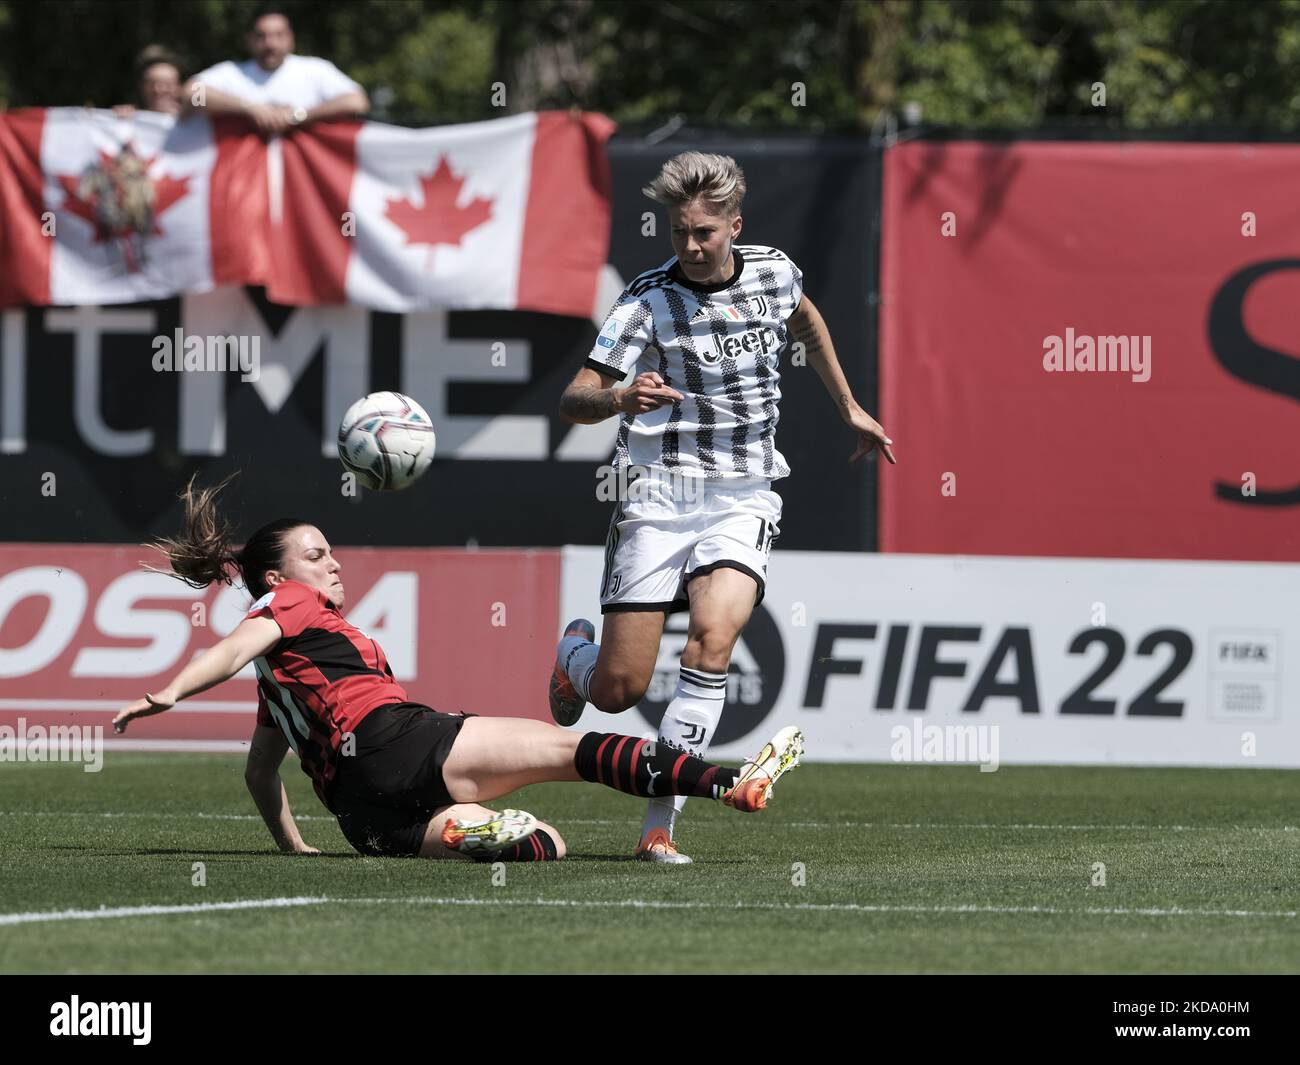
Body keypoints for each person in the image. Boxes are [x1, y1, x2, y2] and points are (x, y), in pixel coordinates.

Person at [111, 477, 803, 861]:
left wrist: (296, 848)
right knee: (573, 750)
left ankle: (470, 827)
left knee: (545, 843)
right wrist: (171, 689)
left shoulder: (283, 676)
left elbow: (260, 770)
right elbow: (232, 646)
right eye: (317, 553)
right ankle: (729, 781)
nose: (333, 562)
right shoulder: (284, 603)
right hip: (397, 740)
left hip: (360, 817)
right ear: (275, 574)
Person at [552, 151, 893, 864]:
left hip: (743, 494)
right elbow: (575, 398)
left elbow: (807, 321)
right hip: (659, 495)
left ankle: (657, 826)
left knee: (713, 638)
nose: (691, 246)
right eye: (679, 232)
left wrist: (851, 406)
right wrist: (618, 397)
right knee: (619, 690)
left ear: (734, 226)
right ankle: (572, 657)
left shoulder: (774, 272)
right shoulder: (645, 299)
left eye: (704, 232)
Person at [182, 6, 369, 136]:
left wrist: (298, 116)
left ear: (290, 38)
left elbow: (357, 102)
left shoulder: (314, 70)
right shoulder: (233, 73)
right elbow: (192, 94)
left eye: (278, 35)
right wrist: (250, 109)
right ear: (250, 40)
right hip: (245, 183)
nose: (270, 44)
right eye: (261, 36)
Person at [114, 46, 183, 118]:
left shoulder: (193, 122)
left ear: (179, 88)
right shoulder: (131, 118)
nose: (158, 89)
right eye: (151, 84)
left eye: (167, 84)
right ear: (141, 87)